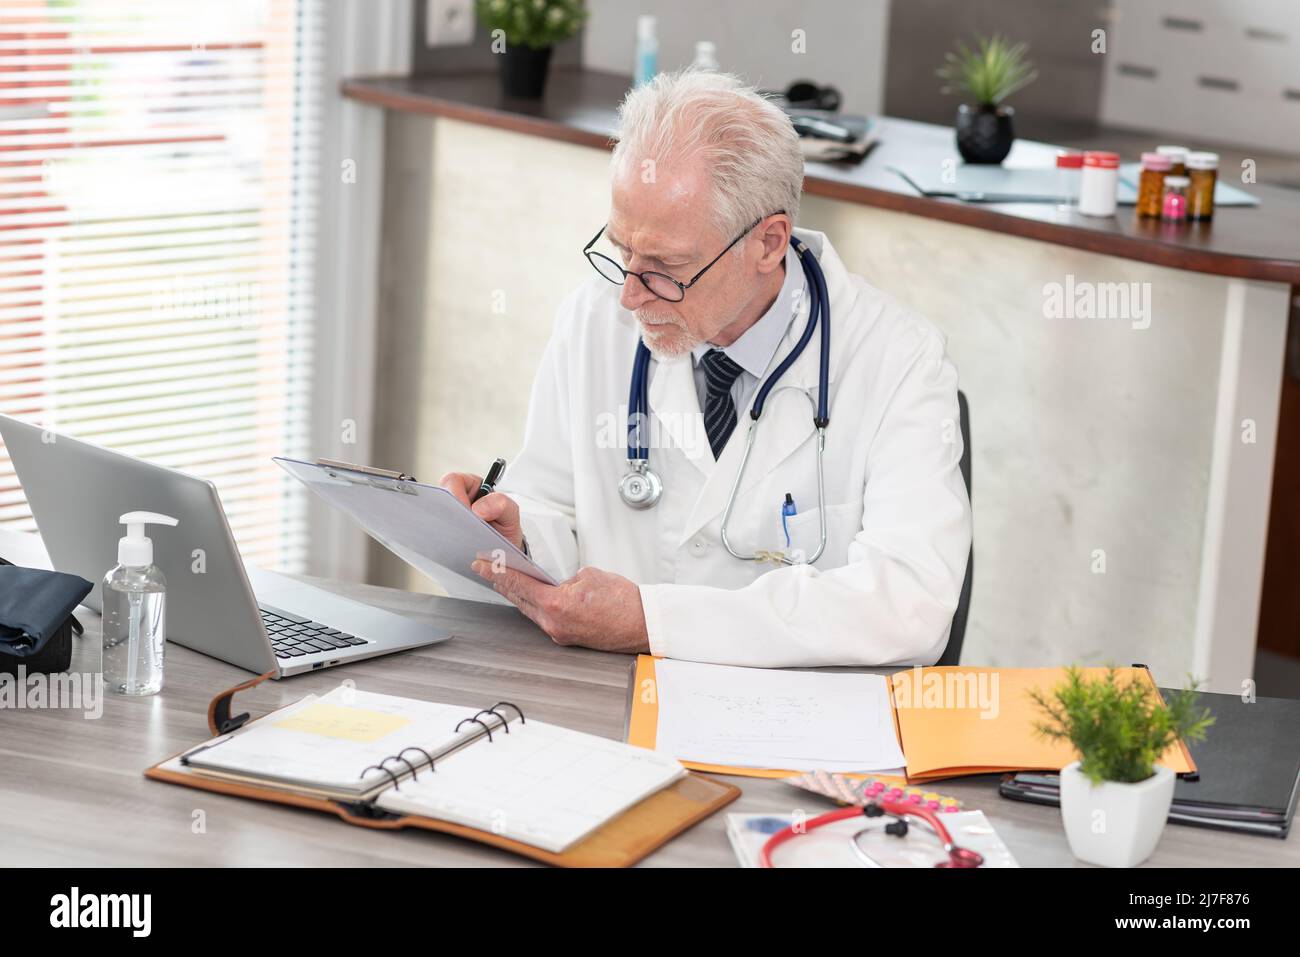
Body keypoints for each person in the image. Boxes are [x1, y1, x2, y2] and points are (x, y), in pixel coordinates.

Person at [441, 70, 971, 668]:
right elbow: (554, 507)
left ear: (769, 243)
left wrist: (656, 620)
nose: (629, 296)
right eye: (622, 252)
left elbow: (911, 603)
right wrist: (518, 530)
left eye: (666, 267)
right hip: (616, 697)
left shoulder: (898, 359)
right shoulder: (592, 320)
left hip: (806, 727)